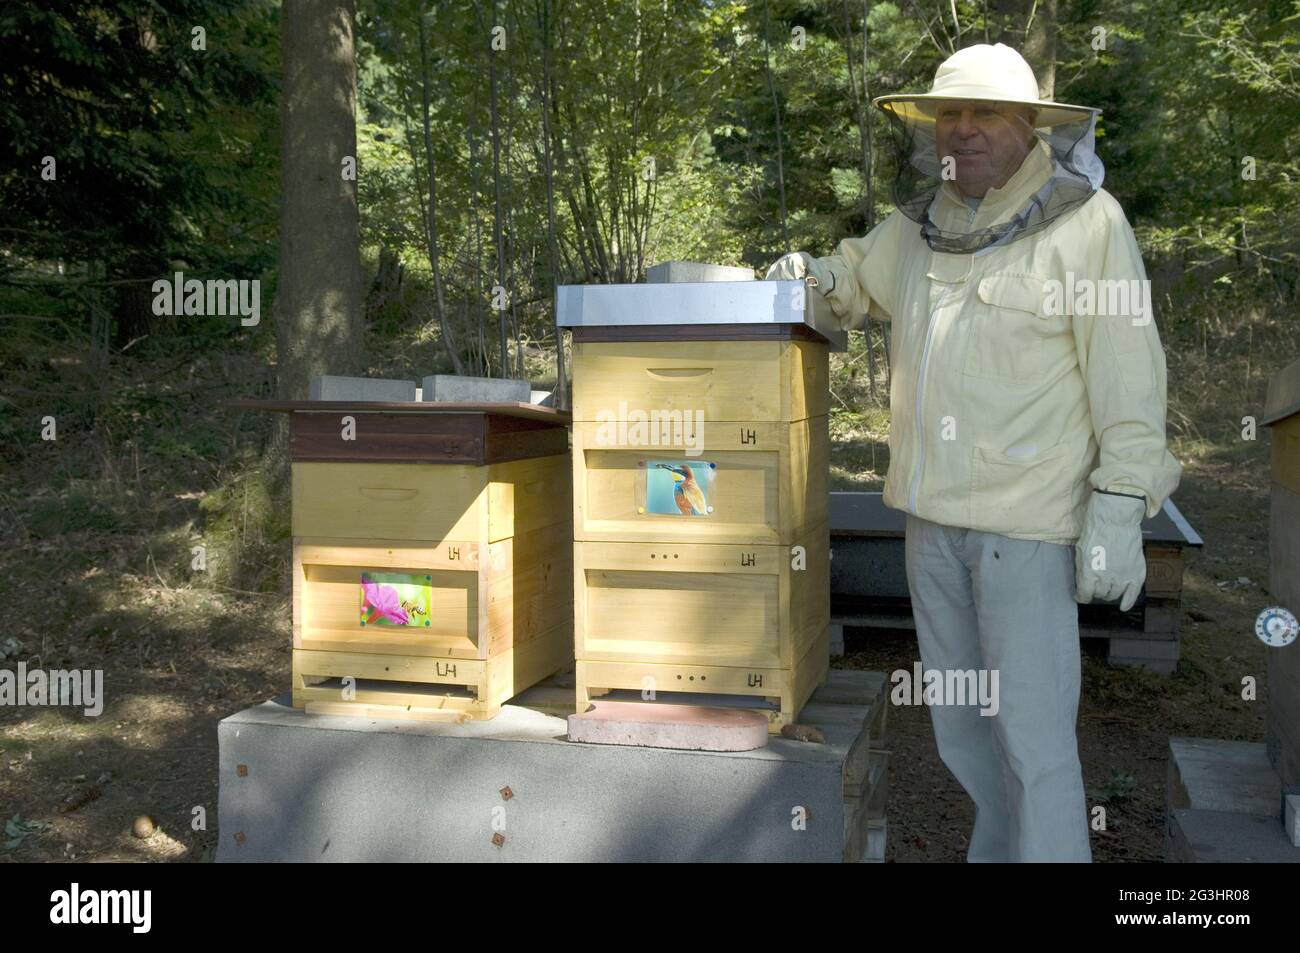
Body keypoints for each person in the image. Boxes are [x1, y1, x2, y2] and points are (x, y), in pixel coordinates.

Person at [767, 43, 1182, 862]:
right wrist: (809, 273)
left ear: (1028, 125)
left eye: (983, 113)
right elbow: (850, 280)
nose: (962, 131)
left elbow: (1130, 375)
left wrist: (1123, 501)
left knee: (1032, 740)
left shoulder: (1088, 223)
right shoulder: (920, 227)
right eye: (948, 115)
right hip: (932, 529)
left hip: (1027, 534)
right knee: (962, 734)